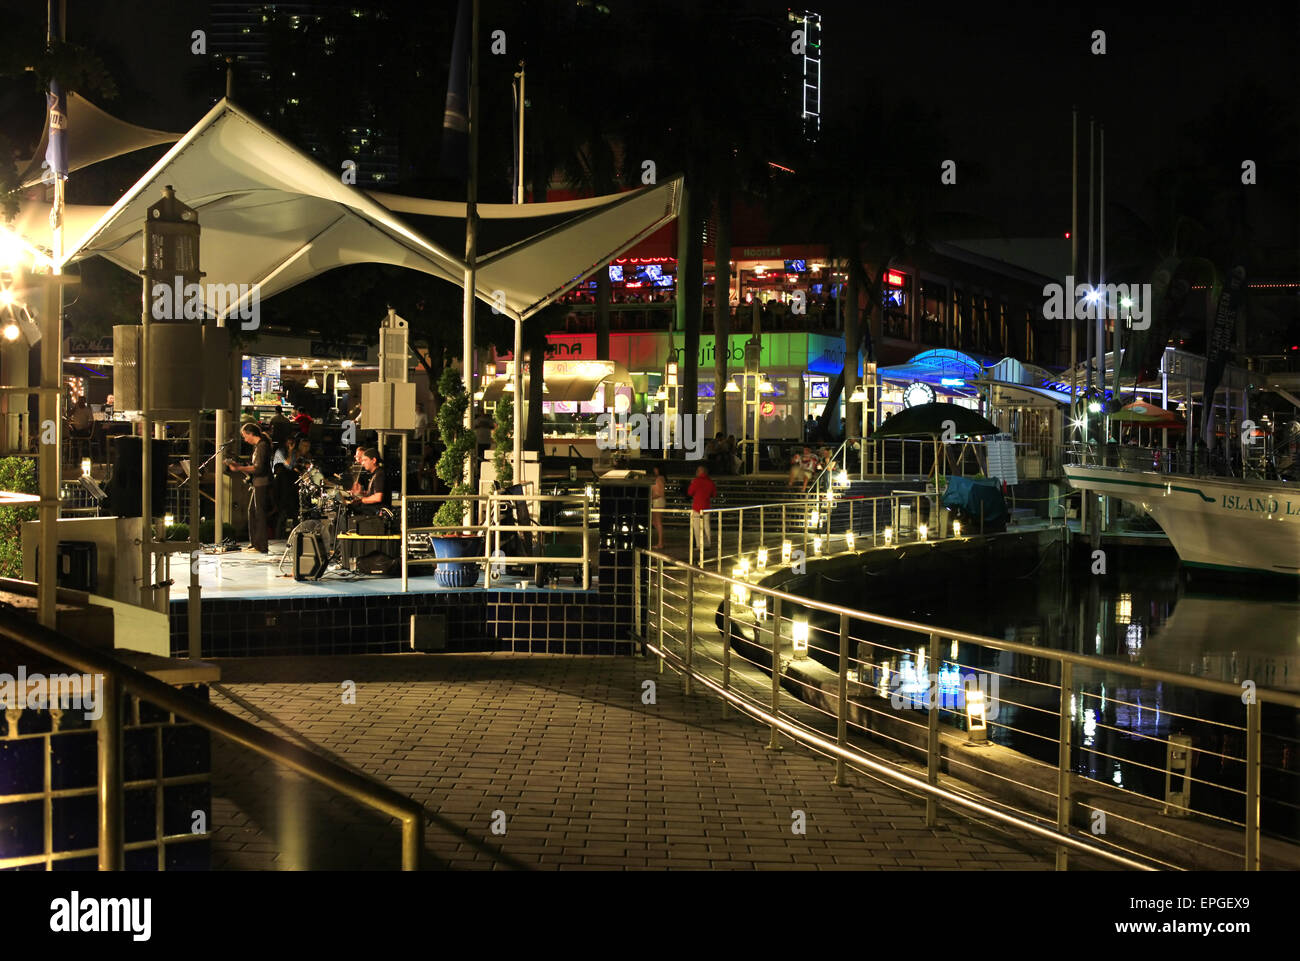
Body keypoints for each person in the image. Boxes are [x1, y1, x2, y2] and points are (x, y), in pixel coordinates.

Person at [226, 423, 273, 553]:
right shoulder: (259, 446)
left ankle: (261, 545)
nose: (245, 439)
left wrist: (239, 468)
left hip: (262, 483)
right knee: (252, 512)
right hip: (258, 482)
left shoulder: (262, 446)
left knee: (260, 514)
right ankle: (255, 543)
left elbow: (258, 468)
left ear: (251, 433)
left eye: (245, 436)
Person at [686, 465, 716, 563]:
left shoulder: (696, 481)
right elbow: (713, 494)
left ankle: (699, 545)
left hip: (697, 507)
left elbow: (690, 492)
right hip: (706, 507)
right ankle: (708, 544)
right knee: (707, 526)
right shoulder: (710, 482)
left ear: (699, 471)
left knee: (697, 527)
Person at [351, 447, 387, 515]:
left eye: (365, 460)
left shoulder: (379, 474)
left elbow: (378, 497)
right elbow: (373, 493)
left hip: (378, 512)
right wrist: (360, 493)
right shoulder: (375, 474)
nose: (362, 463)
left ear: (373, 460)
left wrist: (361, 500)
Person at [650, 466, 667, 550]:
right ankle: (661, 541)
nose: (654, 470)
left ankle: (660, 542)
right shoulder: (660, 478)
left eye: (656, 469)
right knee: (654, 521)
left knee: (657, 521)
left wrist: (651, 497)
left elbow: (660, 493)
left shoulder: (659, 479)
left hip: (658, 501)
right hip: (657, 501)